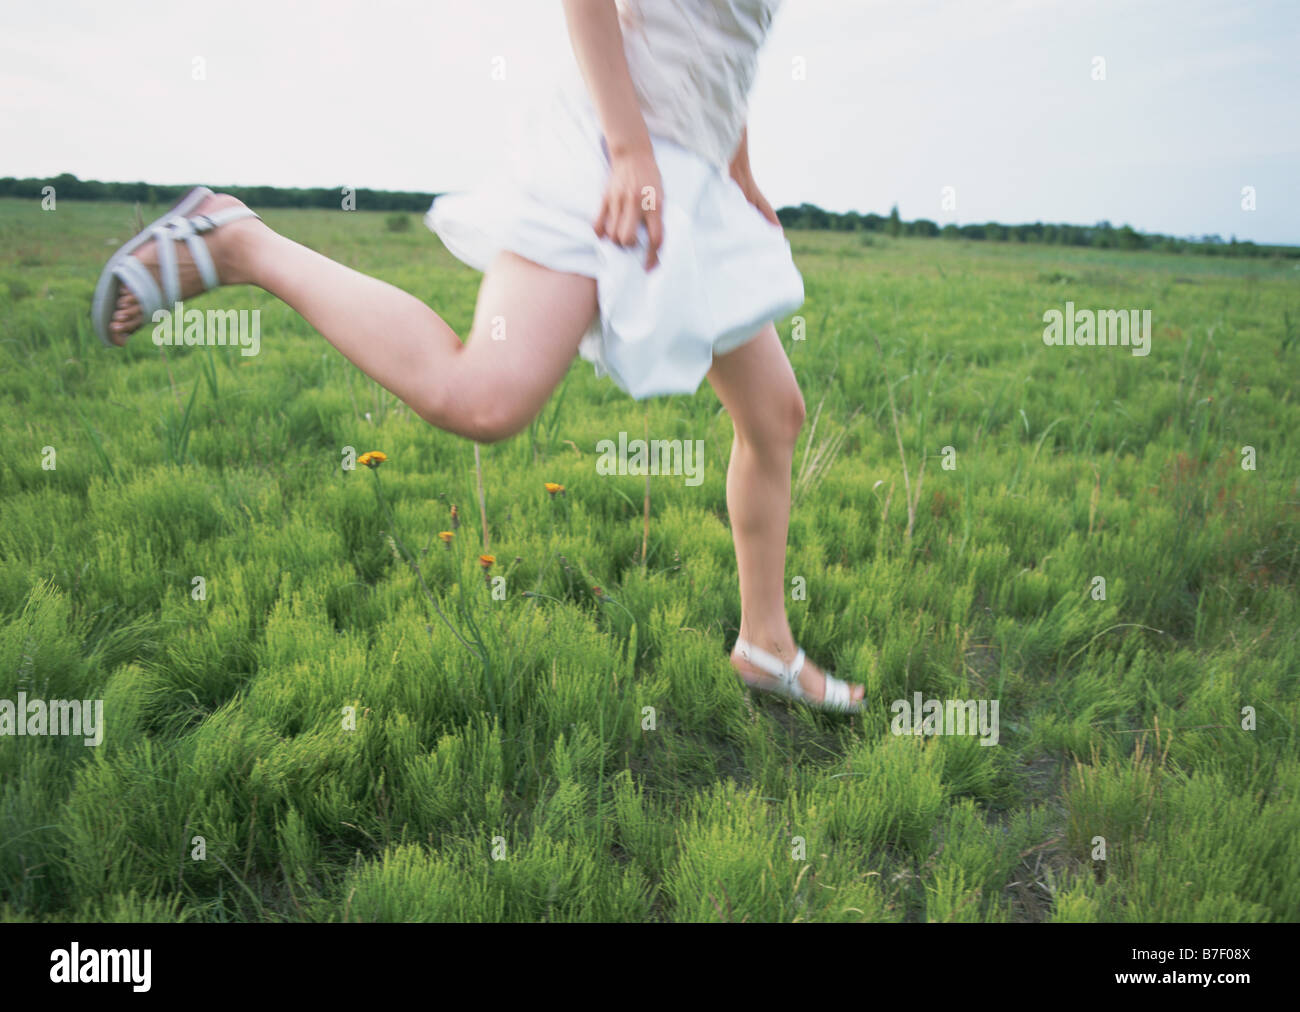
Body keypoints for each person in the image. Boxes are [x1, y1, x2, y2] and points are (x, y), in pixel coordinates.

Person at [90, 0, 864, 712]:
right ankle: (241, 243)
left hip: (693, 171)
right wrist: (629, 148)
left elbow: (729, 41)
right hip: (617, 149)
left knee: (774, 414)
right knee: (484, 397)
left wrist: (738, 167)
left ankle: (766, 646)